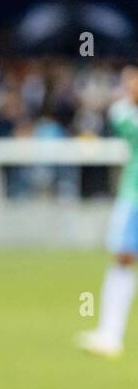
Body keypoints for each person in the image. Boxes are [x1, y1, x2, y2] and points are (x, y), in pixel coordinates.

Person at [78, 66, 138, 357]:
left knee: (123, 259)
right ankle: (110, 332)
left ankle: (110, 333)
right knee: (122, 258)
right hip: (134, 196)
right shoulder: (124, 114)